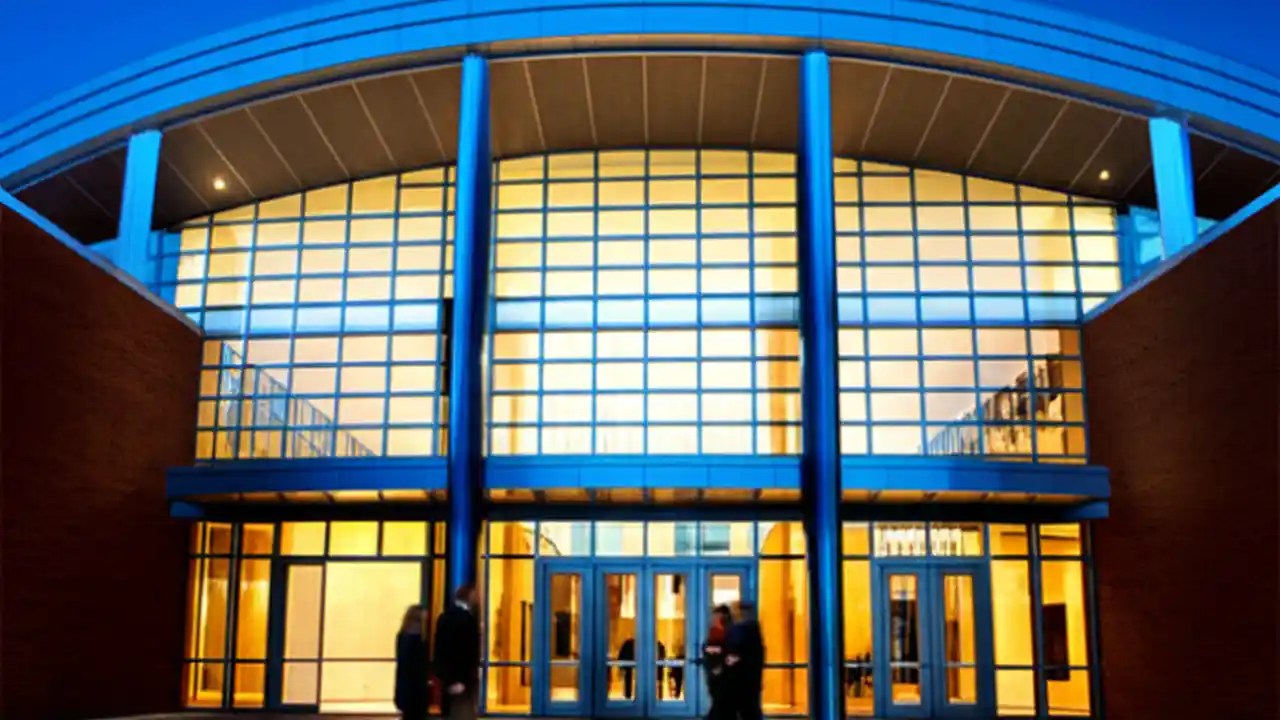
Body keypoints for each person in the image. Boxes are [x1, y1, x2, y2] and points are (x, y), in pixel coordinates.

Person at [434, 584, 481, 720]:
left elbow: (441, 650)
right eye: (475, 595)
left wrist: (445, 677)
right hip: (461, 679)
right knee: (463, 712)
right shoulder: (466, 619)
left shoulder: (444, 617)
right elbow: (463, 651)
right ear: (469, 597)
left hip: (450, 678)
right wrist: (460, 679)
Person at [725, 601, 765, 720]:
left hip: (741, 680)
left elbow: (735, 654)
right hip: (750, 681)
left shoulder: (740, 630)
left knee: (745, 709)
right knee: (751, 710)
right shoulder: (753, 630)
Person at [394, 605, 430, 720]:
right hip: (416, 691)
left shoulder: (402, 636)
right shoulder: (418, 640)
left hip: (404, 688)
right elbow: (419, 667)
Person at [702, 604, 733, 720]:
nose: (714, 620)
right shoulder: (715, 633)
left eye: (716, 617)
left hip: (721, 677)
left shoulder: (727, 633)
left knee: (720, 707)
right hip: (717, 676)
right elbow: (707, 649)